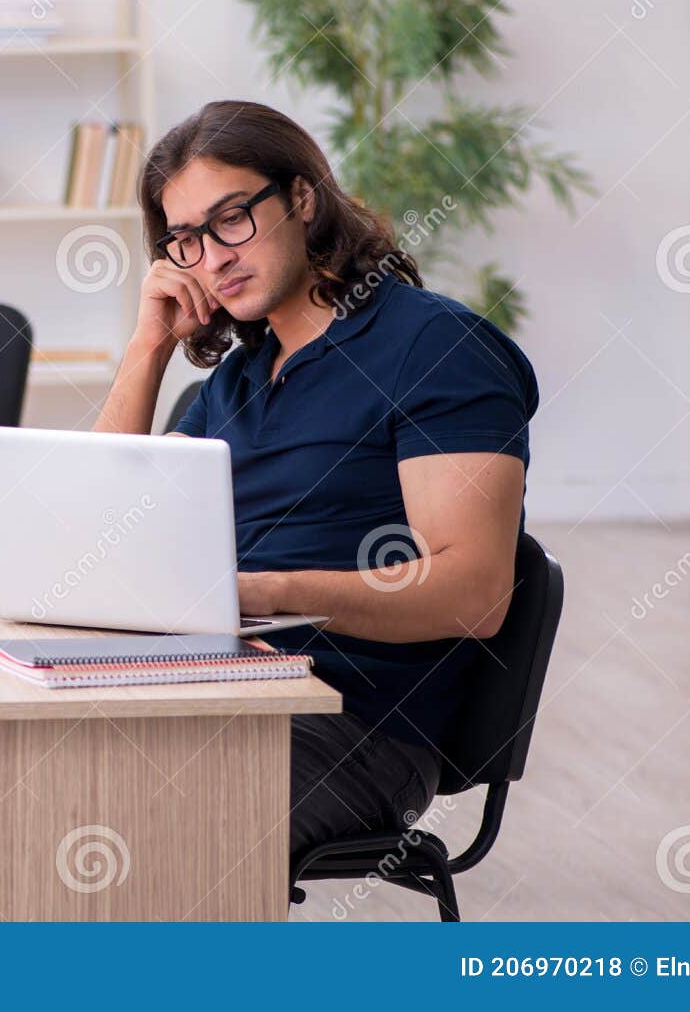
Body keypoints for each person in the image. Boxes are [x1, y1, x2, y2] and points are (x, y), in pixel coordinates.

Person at [94, 100, 538, 852]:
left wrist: (260, 596)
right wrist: (148, 346)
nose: (214, 258)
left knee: (128, 823)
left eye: (231, 219)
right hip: (218, 685)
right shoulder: (231, 385)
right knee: (6, 774)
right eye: (185, 242)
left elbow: (476, 595)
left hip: (353, 724)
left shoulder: (435, 347)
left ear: (302, 198)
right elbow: (104, 536)